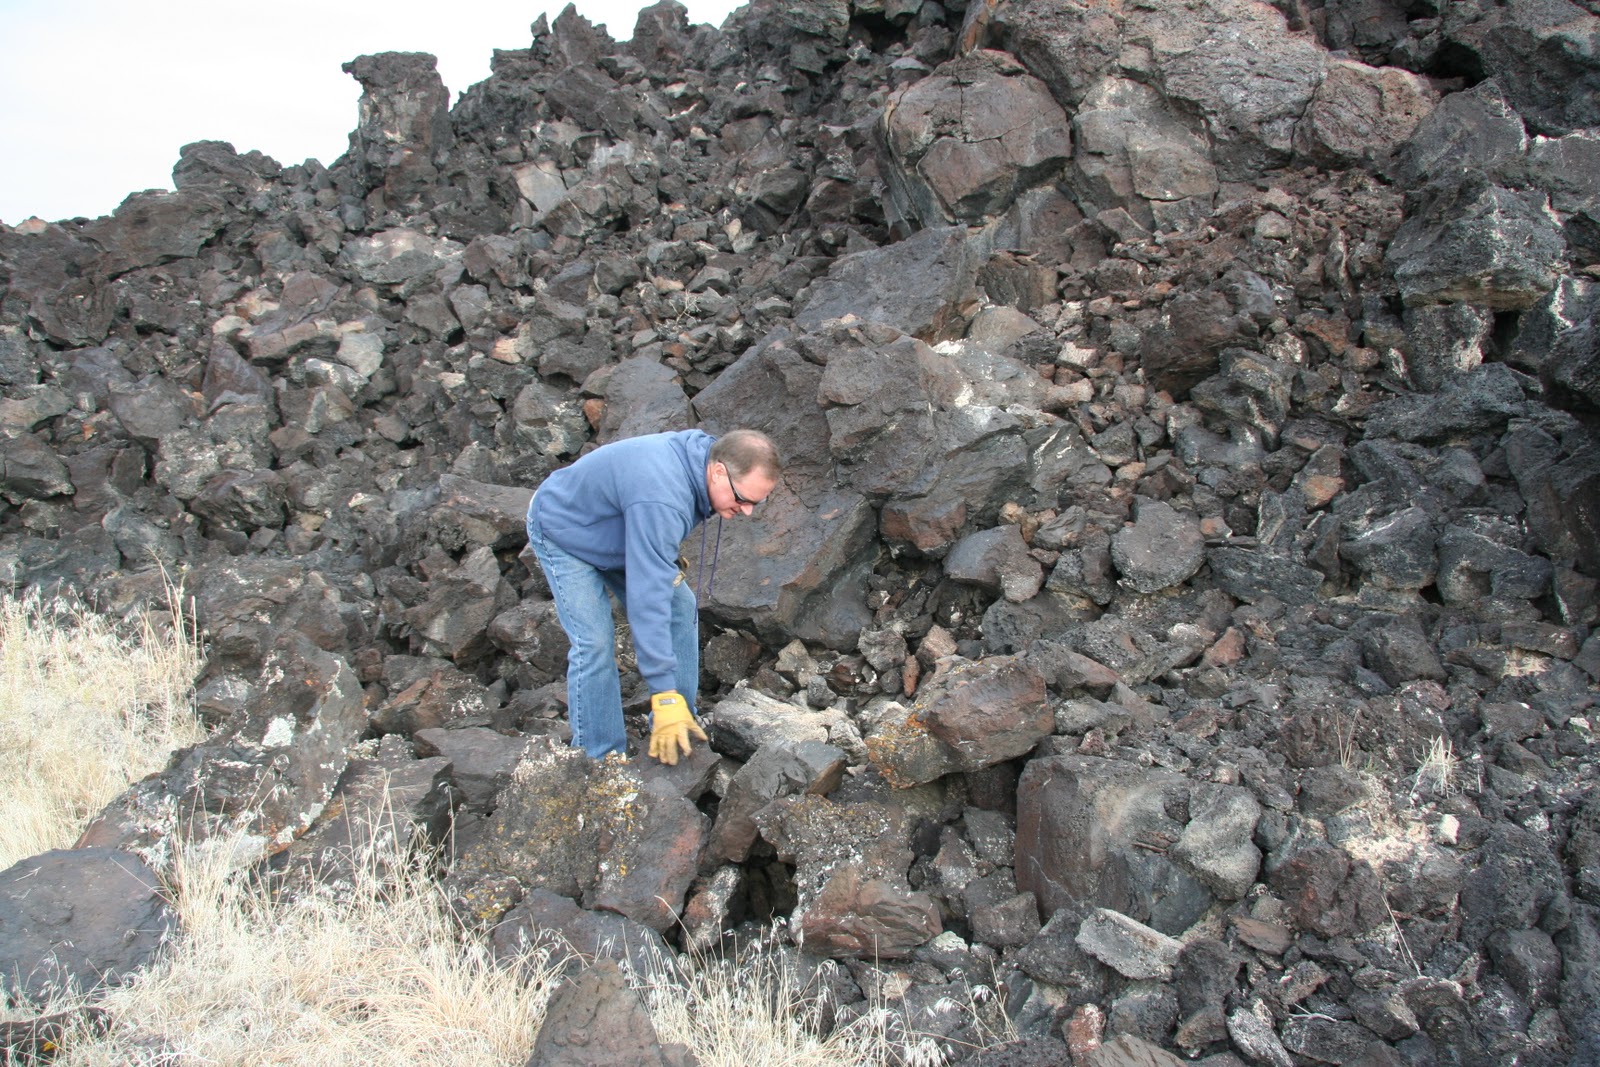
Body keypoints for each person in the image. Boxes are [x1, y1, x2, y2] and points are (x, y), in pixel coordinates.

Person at [524, 428, 781, 764]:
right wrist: (662, 689)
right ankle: (599, 760)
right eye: (743, 499)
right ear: (718, 471)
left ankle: (677, 725)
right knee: (595, 643)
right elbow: (648, 601)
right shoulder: (662, 497)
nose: (747, 511)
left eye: (757, 502)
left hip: (623, 531)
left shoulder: (710, 457)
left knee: (681, 606)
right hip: (565, 529)